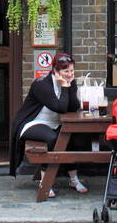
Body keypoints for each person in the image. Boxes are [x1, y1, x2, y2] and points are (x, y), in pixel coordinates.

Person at [8, 53, 87, 198]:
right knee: (53, 139)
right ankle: (45, 181)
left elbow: (73, 107)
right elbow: (59, 107)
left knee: (70, 139)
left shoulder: (69, 81)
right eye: (66, 71)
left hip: (55, 123)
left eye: (72, 71)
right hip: (33, 122)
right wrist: (64, 86)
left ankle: (74, 180)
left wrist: (71, 86)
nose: (70, 74)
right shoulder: (41, 84)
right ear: (55, 71)